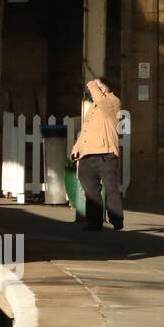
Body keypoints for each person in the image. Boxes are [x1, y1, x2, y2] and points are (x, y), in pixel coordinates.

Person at [69, 77, 123, 231]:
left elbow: (99, 97)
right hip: (87, 154)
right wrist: (76, 147)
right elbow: (86, 130)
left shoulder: (112, 102)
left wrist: (92, 82)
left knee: (111, 188)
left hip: (105, 153)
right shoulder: (93, 107)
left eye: (97, 88)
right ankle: (94, 221)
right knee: (90, 190)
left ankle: (116, 219)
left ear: (103, 89)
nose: (92, 91)